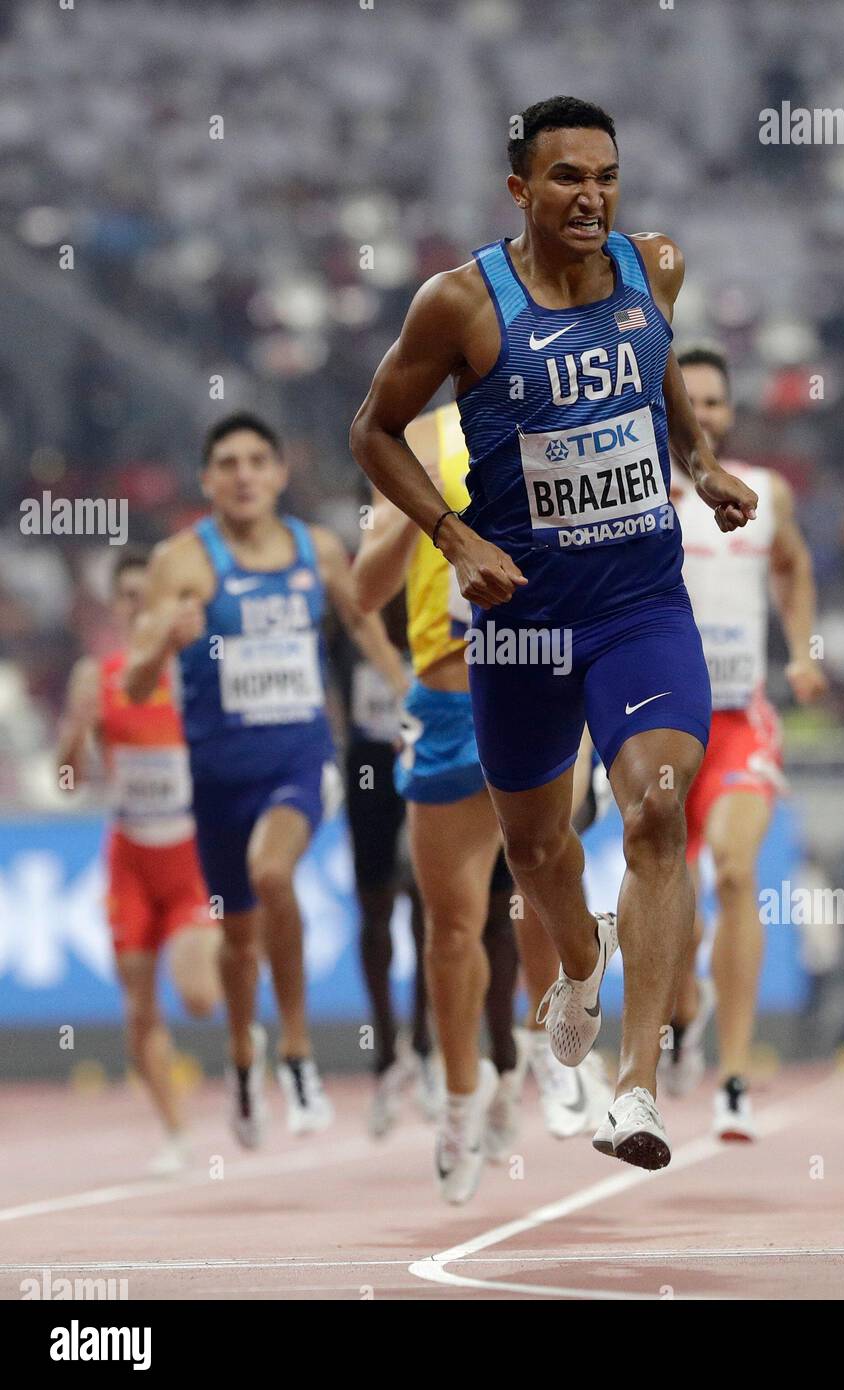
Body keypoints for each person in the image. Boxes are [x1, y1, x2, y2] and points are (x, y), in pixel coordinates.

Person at [350, 96, 757, 1170]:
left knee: (656, 817)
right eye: (567, 177)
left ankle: (637, 1089)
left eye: (606, 176)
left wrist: (699, 462)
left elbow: (657, 360)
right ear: (519, 190)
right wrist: (451, 536)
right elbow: (371, 430)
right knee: (534, 851)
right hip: (521, 617)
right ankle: (578, 966)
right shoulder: (458, 304)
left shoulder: (653, 265)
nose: (592, 196)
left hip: (638, 607)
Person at [125, 412, 407, 1148]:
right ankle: (245, 1060)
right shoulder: (183, 562)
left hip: (301, 761)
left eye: (258, 460)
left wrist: (412, 698)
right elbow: (134, 679)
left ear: (281, 474)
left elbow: (365, 625)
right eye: (228, 463)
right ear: (207, 480)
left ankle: (296, 1055)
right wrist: (163, 647)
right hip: (217, 777)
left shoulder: (317, 549)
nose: (244, 474)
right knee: (238, 937)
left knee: (272, 874)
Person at [353, 400, 609, 1202]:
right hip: (445, 702)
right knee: (452, 924)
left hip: (540, 681)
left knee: (542, 880)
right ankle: (462, 1101)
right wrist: (414, 512)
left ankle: (555, 1053)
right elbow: (362, 591)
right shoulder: (420, 441)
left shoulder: (565, 412)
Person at [667, 345, 828, 1139]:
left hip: (739, 722)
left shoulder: (766, 493)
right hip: (660, 726)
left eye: (717, 402)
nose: (705, 415)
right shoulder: (641, 498)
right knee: (675, 906)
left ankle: (733, 1074)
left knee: (736, 874)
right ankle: (680, 1014)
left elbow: (793, 570)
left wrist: (801, 651)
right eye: (688, 400)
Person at [57, 550, 221, 1175]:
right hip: (129, 860)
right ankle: (177, 1130)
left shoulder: (190, 673)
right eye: (123, 597)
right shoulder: (92, 678)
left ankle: (240, 1028)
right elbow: (68, 781)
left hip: (188, 859)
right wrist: (77, 733)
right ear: (115, 606)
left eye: (141, 595)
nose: (133, 607)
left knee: (200, 998)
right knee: (138, 1009)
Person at [325, 594, 438, 1137]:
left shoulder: (436, 575)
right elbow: (324, 673)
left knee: (426, 900)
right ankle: (387, 1056)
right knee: (374, 905)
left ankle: (425, 1044)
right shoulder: (353, 593)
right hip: (367, 761)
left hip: (426, 751)